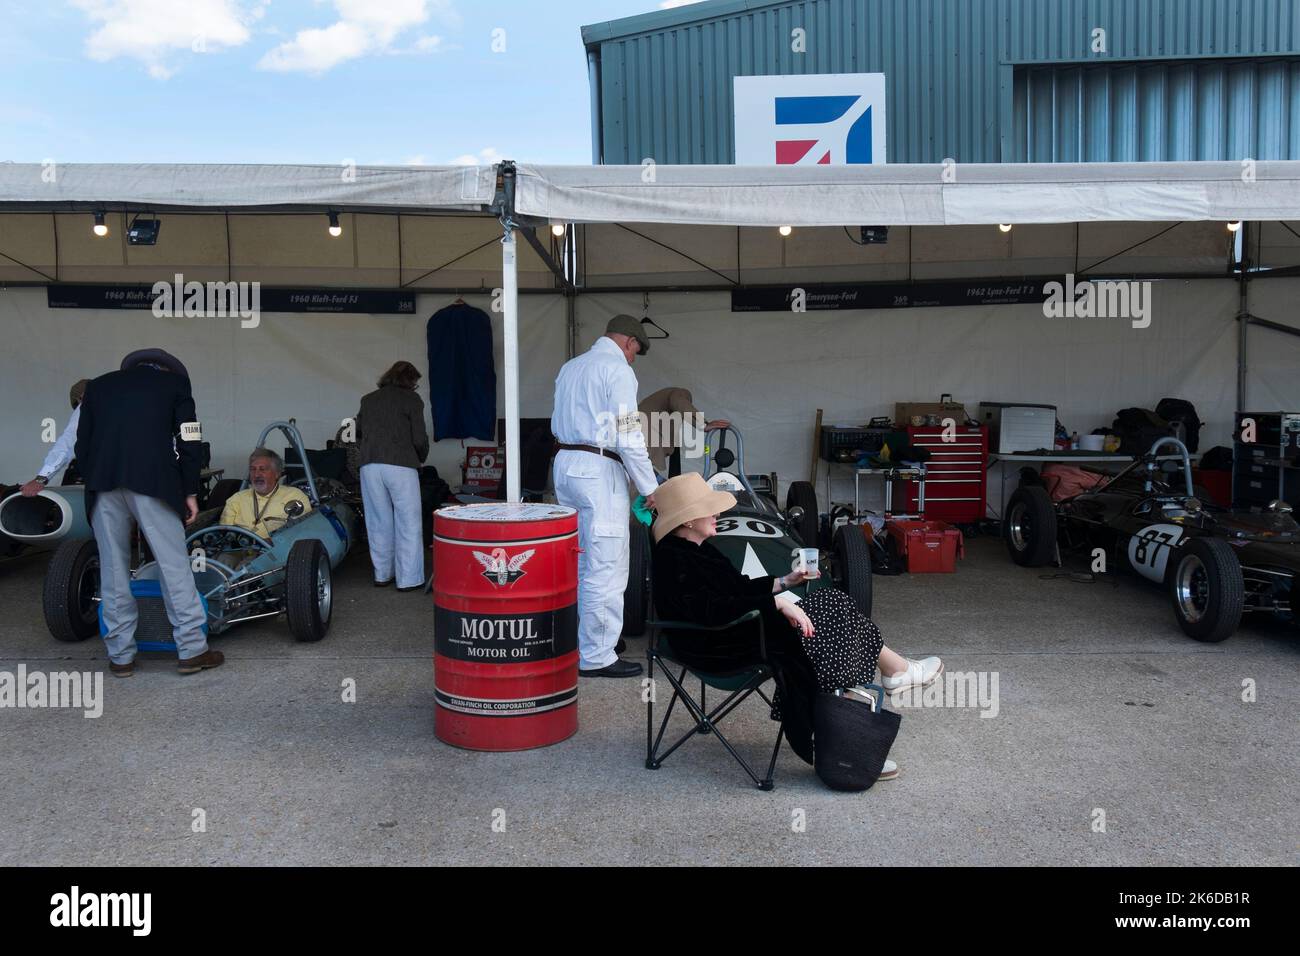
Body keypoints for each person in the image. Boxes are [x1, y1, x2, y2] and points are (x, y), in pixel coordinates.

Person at [650, 473, 943, 779]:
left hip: (738, 630)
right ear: (687, 521)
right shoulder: (674, 560)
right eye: (708, 509)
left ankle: (870, 702)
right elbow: (707, 611)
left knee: (831, 604)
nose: (717, 514)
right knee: (820, 631)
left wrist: (785, 582)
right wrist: (776, 604)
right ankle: (845, 742)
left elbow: (735, 590)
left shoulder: (697, 550)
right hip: (713, 645)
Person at [76, 349, 222, 678]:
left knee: (113, 570)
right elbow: (190, 439)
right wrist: (190, 491)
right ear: (168, 369)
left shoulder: (98, 386)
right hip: (154, 483)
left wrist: (94, 475)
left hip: (103, 484)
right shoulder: (175, 387)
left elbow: (81, 443)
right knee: (174, 568)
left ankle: (121, 656)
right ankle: (191, 650)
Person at [552, 314, 659, 678]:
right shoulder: (617, 370)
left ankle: (589, 640)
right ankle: (598, 656)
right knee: (607, 565)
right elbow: (629, 435)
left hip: (565, 464)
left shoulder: (571, 367)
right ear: (629, 342)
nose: (634, 359)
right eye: (636, 352)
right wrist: (651, 489)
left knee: (578, 561)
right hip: (598, 470)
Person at [356, 360, 429, 591]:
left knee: (378, 521)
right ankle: (408, 579)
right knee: (408, 521)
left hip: (369, 465)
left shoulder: (367, 399)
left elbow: (358, 434)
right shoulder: (411, 399)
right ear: (410, 381)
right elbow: (418, 437)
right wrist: (421, 456)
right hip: (401, 464)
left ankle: (382, 574)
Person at [220, 448, 313, 538]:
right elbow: (223, 534)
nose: (256, 475)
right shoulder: (236, 499)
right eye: (253, 469)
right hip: (238, 551)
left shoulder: (295, 497)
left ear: (277, 473)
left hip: (279, 551)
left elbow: (302, 533)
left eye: (262, 469)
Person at [638, 386, 730, 477]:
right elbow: (677, 401)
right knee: (641, 474)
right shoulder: (680, 393)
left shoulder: (655, 404)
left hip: (632, 434)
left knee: (637, 471)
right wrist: (703, 425)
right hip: (643, 435)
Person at [20, 378, 90, 496]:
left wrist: (41, 478)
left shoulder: (86, 406)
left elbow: (68, 442)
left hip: (90, 476)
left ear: (80, 398)